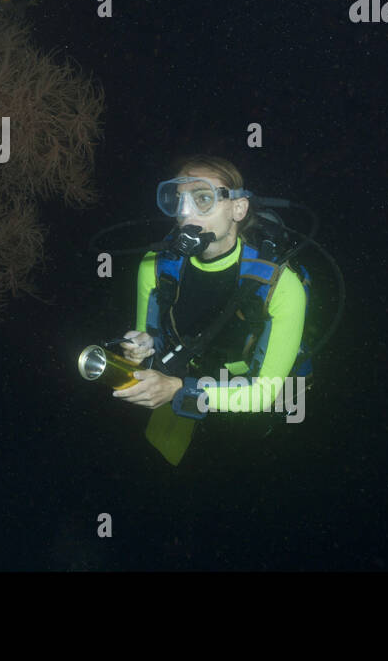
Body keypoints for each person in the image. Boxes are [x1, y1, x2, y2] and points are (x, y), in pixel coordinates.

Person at [113, 155, 308, 464]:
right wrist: (141, 349)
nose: (185, 213)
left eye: (202, 198)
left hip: (245, 407)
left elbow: (265, 392)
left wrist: (179, 390)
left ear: (238, 208)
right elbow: (149, 341)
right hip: (183, 387)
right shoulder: (154, 264)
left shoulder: (283, 286)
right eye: (178, 200)